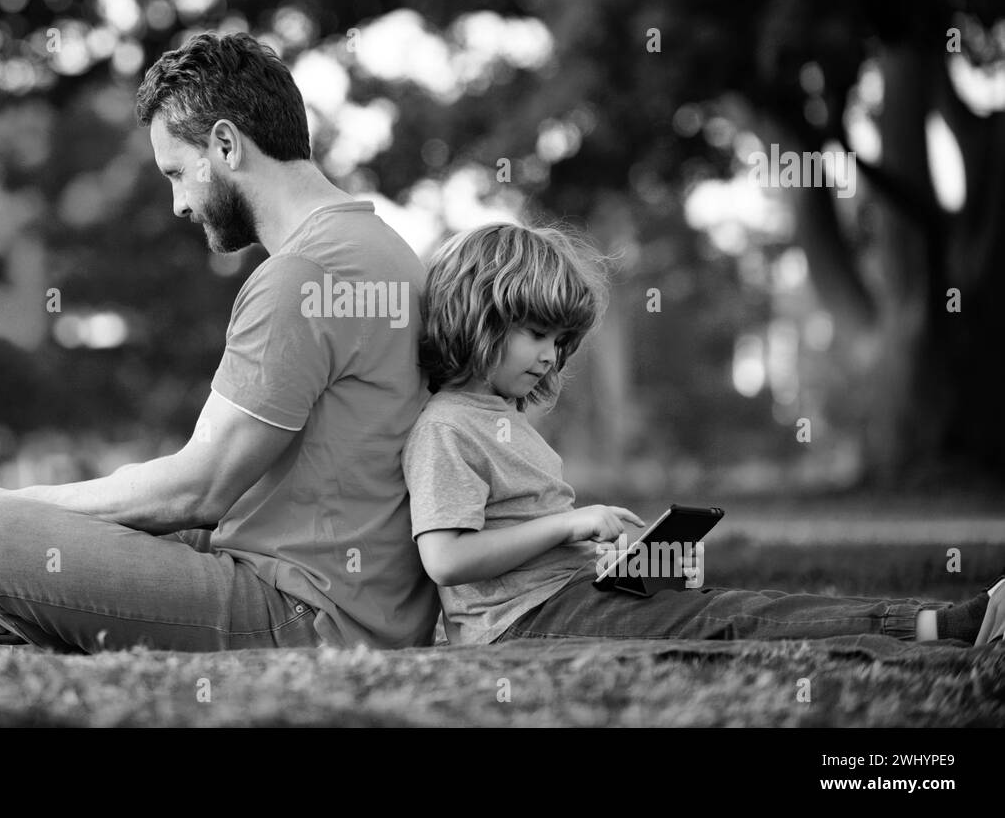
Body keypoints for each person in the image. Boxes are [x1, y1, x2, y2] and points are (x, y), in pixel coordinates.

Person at [0, 32, 440, 654]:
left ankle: (26, 642)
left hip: (305, 613)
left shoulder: (301, 276)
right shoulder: (390, 251)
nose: (177, 204)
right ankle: (23, 642)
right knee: (101, 525)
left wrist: (14, 502)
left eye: (176, 174)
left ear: (225, 144)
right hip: (359, 599)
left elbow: (200, 488)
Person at [402, 221, 1005, 647]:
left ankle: (935, 620)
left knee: (738, 608)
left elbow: (524, 538)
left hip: (569, 596)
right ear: (478, 316)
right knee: (732, 621)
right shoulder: (448, 427)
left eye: (560, 342)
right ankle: (935, 628)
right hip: (522, 623)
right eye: (535, 333)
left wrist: (628, 562)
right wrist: (570, 523)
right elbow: (447, 559)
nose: (550, 356)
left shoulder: (504, 420)